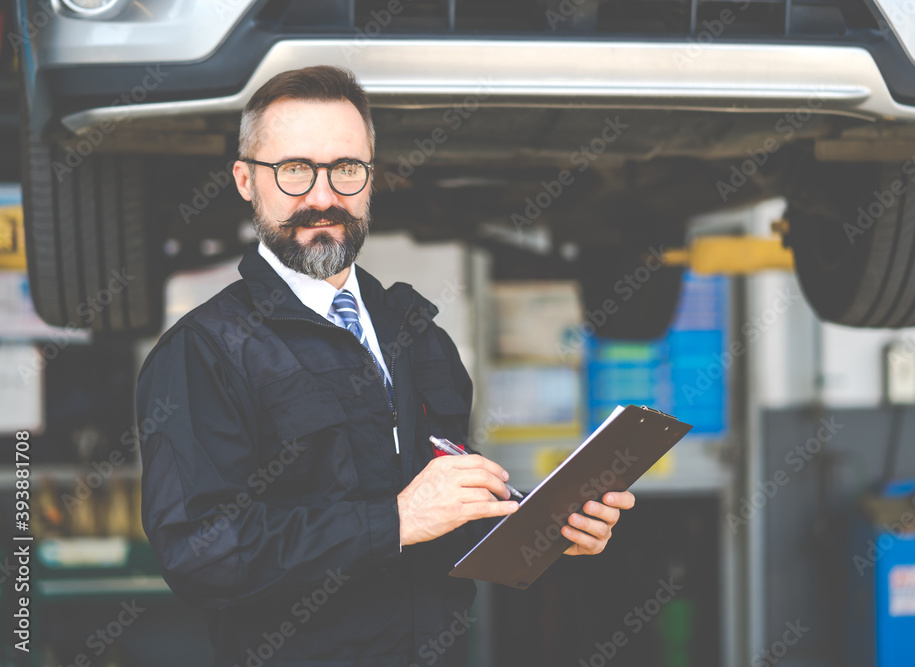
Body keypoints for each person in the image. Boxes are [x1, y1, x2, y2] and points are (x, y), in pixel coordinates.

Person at [136, 65, 635, 667]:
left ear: (371, 177)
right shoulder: (206, 350)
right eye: (294, 170)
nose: (323, 197)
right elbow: (200, 556)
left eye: (346, 169)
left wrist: (546, 525)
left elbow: (440, 515)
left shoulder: (418, 336)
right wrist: (393, 521)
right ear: (246, 180)